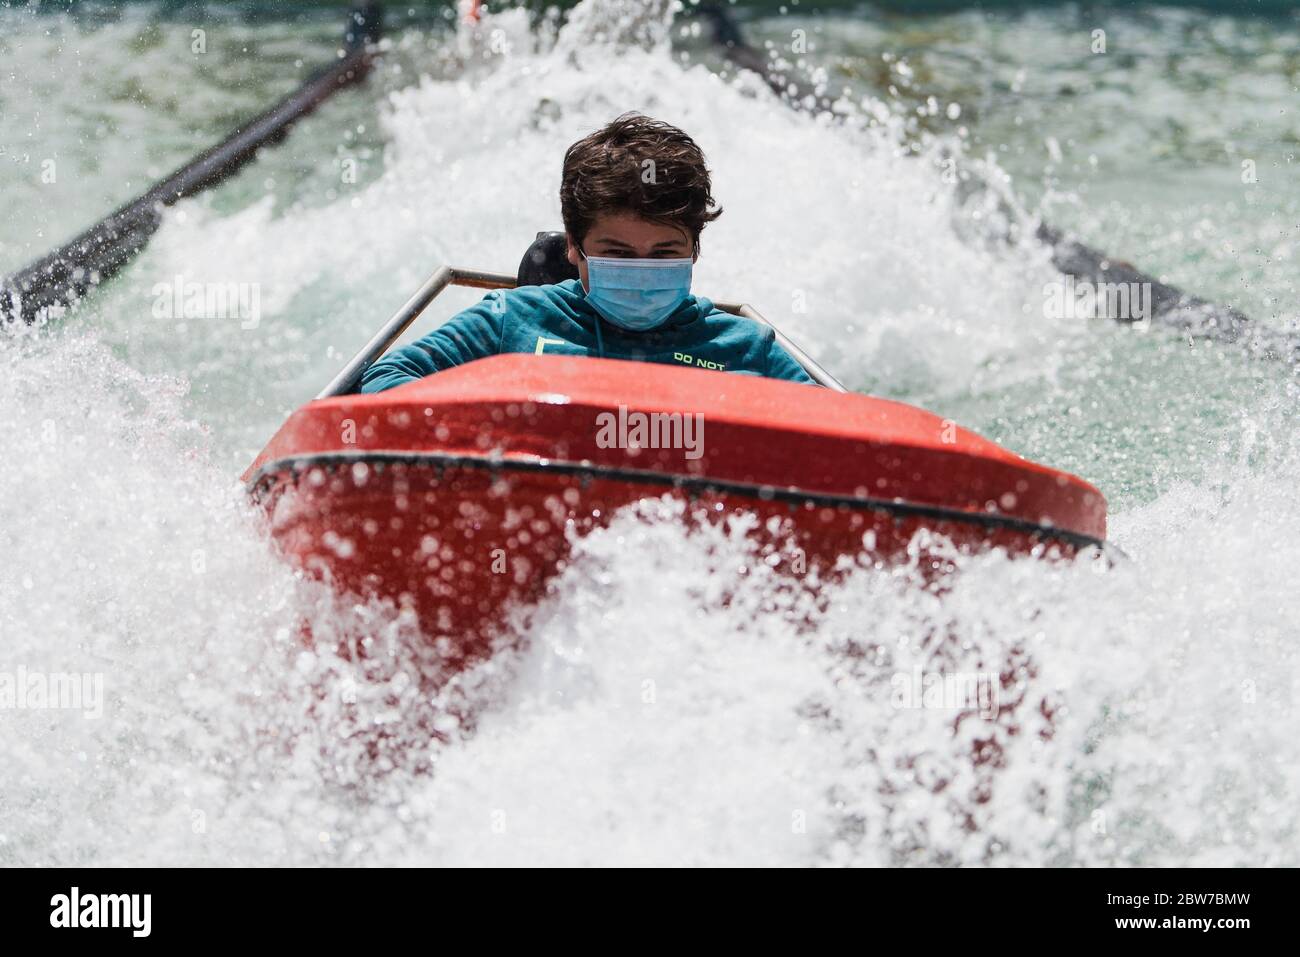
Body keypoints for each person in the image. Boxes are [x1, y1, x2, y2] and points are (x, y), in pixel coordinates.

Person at [359, 112, 813, 393]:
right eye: (618, 253)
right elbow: (389, 377)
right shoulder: (510, 322)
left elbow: (847, 435)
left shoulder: (747, 349)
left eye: (662, 254)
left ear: (694, 250)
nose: (641, 270)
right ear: (574, 247)